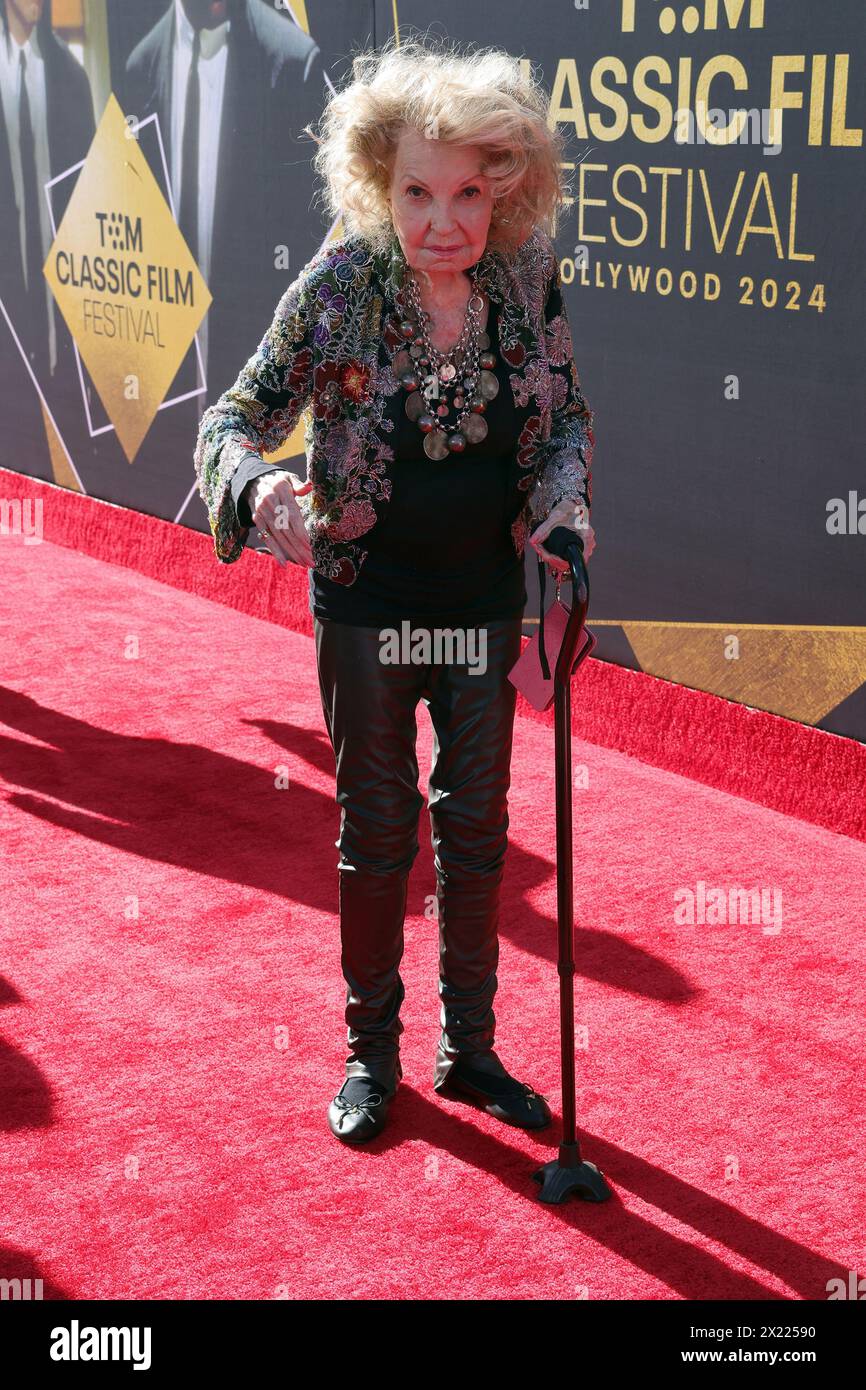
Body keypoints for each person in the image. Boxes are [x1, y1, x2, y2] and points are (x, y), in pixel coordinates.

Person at [193, 36, 596, 1144]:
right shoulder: (336, 289)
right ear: (378, 182)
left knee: (474, 837)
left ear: (506, 190)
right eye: (416, 191)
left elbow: (562, 425)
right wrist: (261, 490)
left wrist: (564, 512)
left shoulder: (521, 286)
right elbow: (227, 420)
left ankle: (469, 1053)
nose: (442, 221)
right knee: (377, 836)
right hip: (366, 607)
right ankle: (370, 1055)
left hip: (478, 607)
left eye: (469, 192)